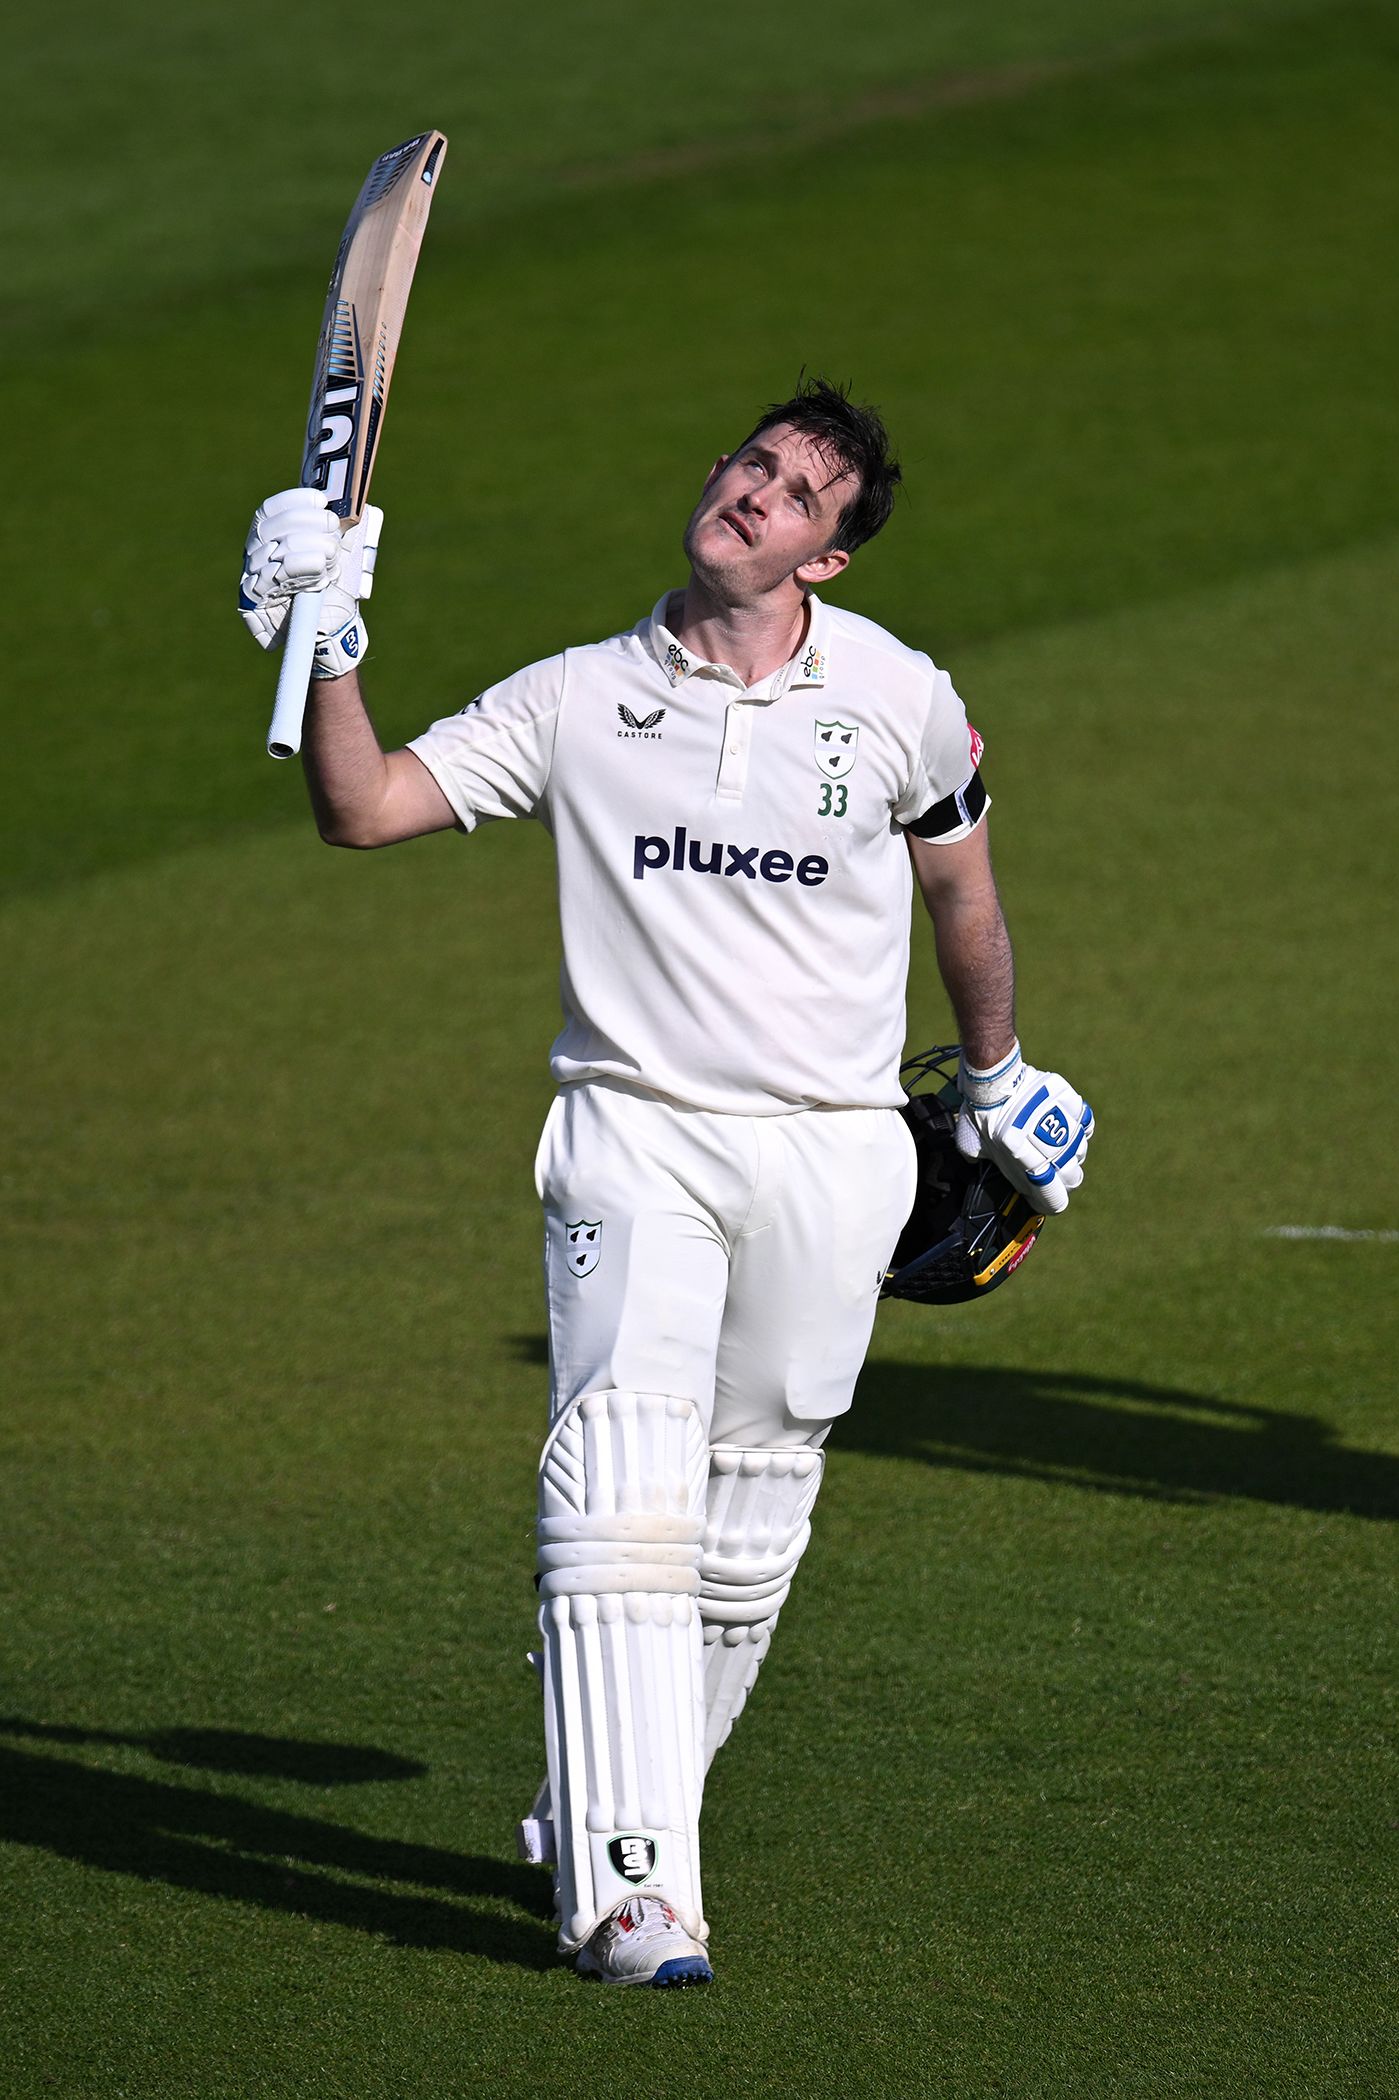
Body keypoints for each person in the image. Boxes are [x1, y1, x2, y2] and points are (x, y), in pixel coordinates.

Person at [239, 378, 1093, 1989]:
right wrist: (328, 640)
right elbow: (363, 809)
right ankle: (635, 1899)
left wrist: (994, 1077)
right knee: (624, 1485)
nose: (760, 494)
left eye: (801, 494)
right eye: (753, 464)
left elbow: (962, 895)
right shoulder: (576, 698)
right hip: (634, 1129)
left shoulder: (900, 700)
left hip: (838, 1148)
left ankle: (608, 1807)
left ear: (827, 560)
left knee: (753, 1514)